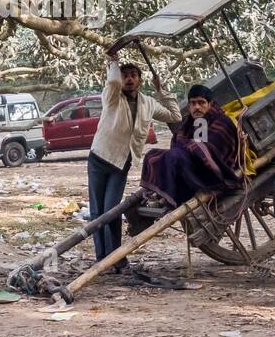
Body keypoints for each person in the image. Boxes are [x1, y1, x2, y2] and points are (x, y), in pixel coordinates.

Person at [87, 50, 182, 272]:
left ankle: (117, 259)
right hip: (100, 158)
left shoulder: (148, 103)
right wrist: (113, 62)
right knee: (96, 213)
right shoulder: (112, 97)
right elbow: (111, 81)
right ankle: (102, 258)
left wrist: (161, 90)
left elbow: (175, 115)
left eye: (133, 75)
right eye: (125, 75)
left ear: (140, 80)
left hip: (121, 164)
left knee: (111, 211)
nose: (128, 78)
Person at [140, 85, 243, 208]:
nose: (197, 107)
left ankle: (170, 195)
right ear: (189, 106)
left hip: (213, 175)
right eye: (193, 104)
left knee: (175, 156)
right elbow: (180, 142)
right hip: (191, 168)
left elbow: (209, 150)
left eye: (201, 103)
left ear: (210, 104)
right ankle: (163, 192)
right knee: (153, 154)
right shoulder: (189, 122)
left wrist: (188, 148)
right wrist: (187, 148)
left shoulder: (221, 122)